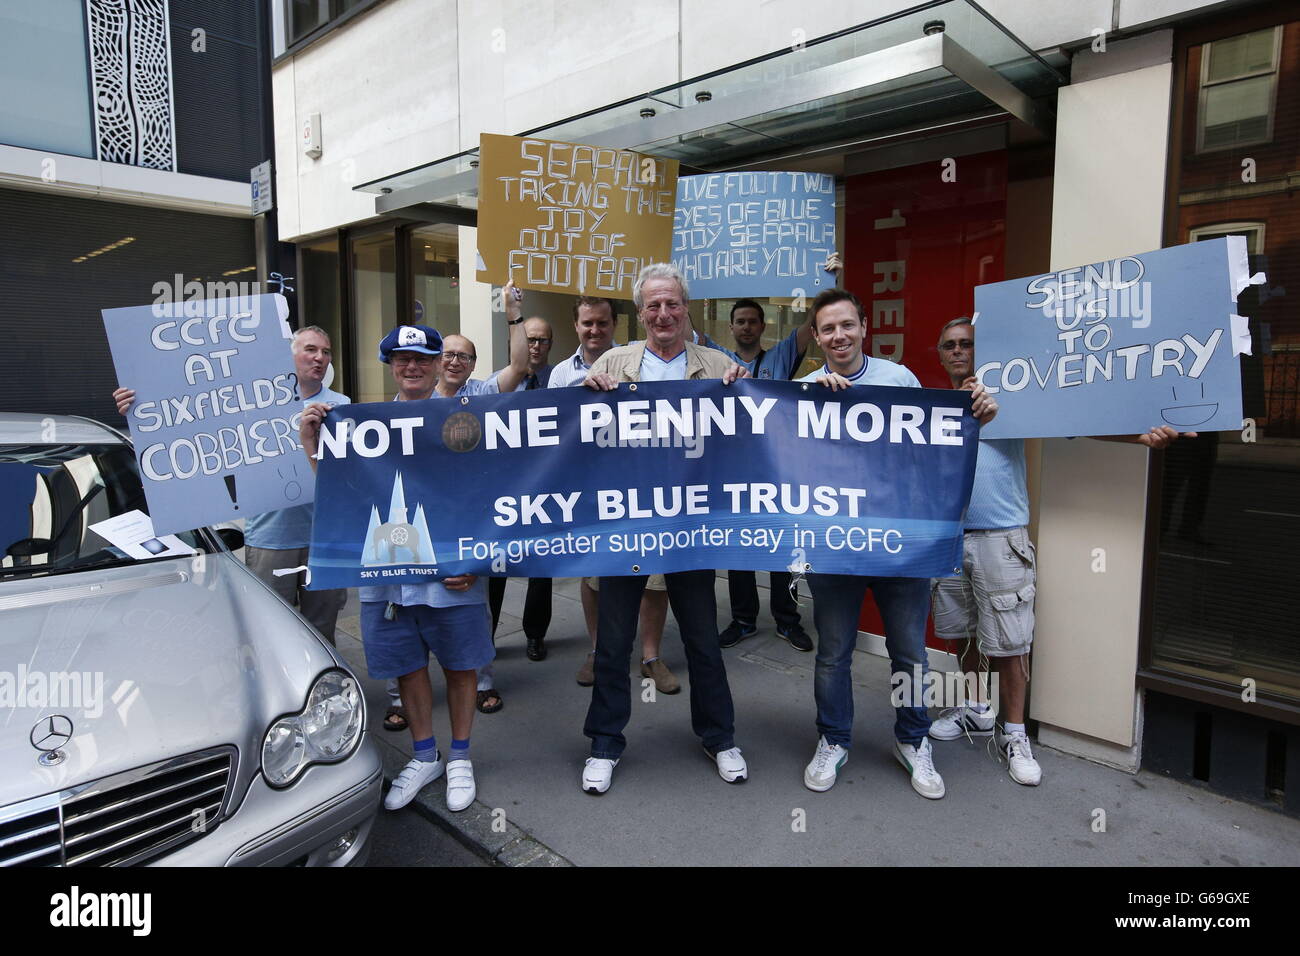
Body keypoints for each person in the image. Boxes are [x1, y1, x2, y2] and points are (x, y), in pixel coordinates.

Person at [928, 317, 1186, 785]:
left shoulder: (1010, 399)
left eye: (968, 343)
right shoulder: (934, 406)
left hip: (1000, 539)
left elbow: (1078, 424)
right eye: (950, 345)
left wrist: (1141, 435)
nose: (959, 351)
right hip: (947, 538)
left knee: (1010, 642)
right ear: (940, 354)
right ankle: (974, 709)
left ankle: (1013, 732)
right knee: (961, 632)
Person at [299, 301, 527, 812]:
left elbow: (494, 494)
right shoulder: (364, 425)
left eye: (422, 359)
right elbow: (344, 498)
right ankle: (426, 755)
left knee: (463, 665)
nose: (413, 367)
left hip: (453, 574)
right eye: (403, 360)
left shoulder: (467, 421)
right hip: (389, 576)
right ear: (391, 366)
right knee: (408, 666)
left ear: (435, 364)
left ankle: (462, 755)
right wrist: (313, 445)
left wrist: (476, 558)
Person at [797, 289, 998, 801]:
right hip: (834, 546)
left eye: (847, 324)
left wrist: (973, 413)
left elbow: (924, 454)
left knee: (910, 653)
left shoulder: (898, 379)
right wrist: (808, 400)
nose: (838, 336)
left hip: (898, 544)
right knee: (834, 653)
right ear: (817, 337)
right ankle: (832, 740)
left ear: (864, 326)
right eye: (827, 329)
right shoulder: (802, 388)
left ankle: (913, 741)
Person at [579, 263, 749, 795]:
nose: (663, 314)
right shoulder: (614, 361)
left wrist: (745, 390)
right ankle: (605, 744)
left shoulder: (719, 364)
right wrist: (587, 390)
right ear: (640, 312)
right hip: (625, 525)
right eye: (652, 305)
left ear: (686, 307)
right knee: (612, 643)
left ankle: (719, 738)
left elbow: (752, 436)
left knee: (702, 639)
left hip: (691, 528)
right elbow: (575, 434)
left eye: (672, 303)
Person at [112, 325, 351, 642]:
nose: (319, 357)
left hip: (325, 539)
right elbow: (191, 423)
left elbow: (350, 473)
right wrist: (141, 408)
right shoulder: (251, 400)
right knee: (272, 632)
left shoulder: (341, 405)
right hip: (270, 538)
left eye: (325, 351)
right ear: (288, 356)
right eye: (310, 349)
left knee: (322, 631)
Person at [549, 296, 677, 693]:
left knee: (657, 579)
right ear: (576, 325)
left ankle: (651, 656)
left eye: (602, 323)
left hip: (651, 487)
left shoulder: (637, 362)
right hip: (594, 493)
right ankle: (598, 649)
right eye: (587, 323)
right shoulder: (559, 374)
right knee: (597, 577)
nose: (594, 330)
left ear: (615, 324)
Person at [487, 315, 555, 662]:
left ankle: (535, 635)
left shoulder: (560, 384)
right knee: (495, 568)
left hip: (546, 491)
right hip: (504, 491)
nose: (535, 346)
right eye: (530, 339)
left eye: (542, 340)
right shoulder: (496, 384)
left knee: (540, 570)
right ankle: (487, 636)